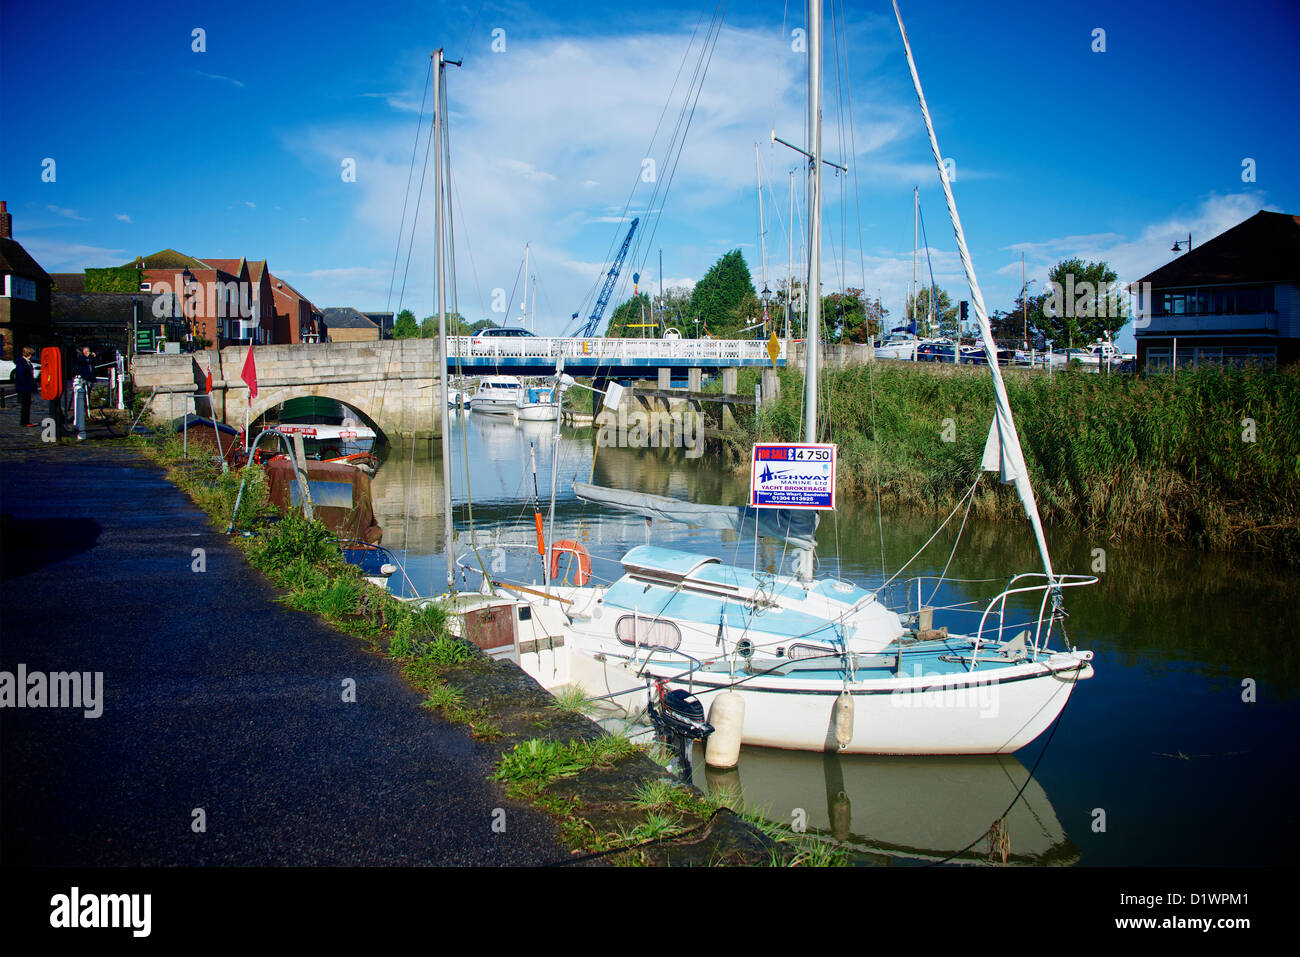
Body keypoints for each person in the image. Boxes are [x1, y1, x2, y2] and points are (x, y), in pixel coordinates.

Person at [14, 346, 37, 427]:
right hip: (24, 387)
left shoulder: (27, 362)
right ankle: (24, 422)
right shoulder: (22, 362)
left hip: (27, 387)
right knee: (25, 405)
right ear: (29, 354)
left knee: (27, 405)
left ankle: (26, 421)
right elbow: (21, 375)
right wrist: (26, 384)